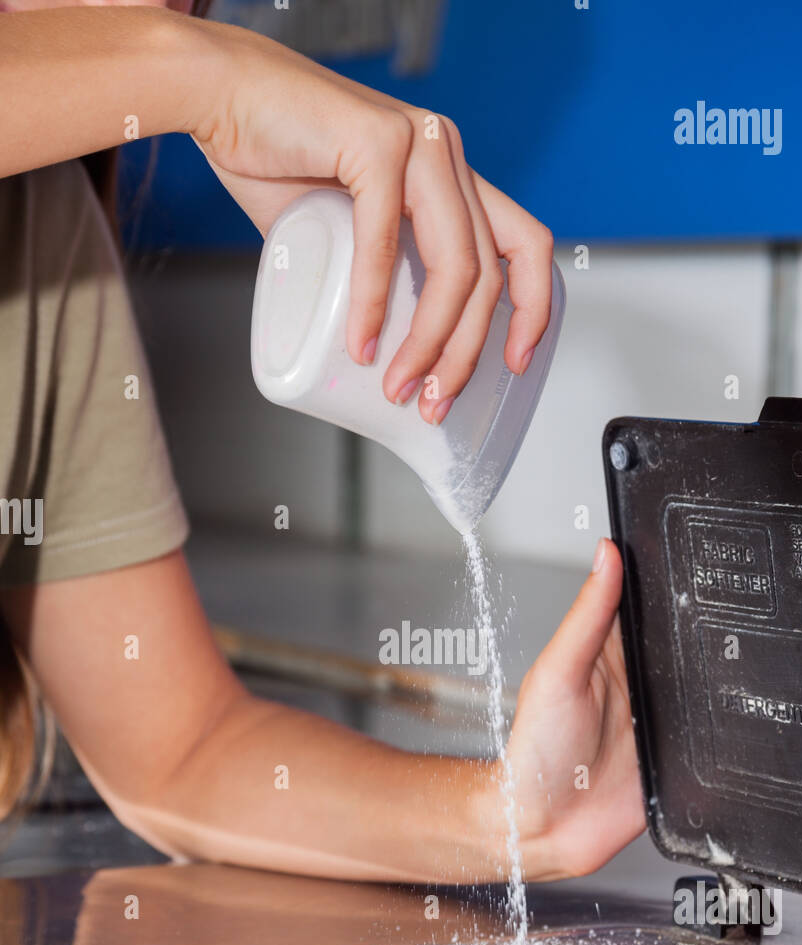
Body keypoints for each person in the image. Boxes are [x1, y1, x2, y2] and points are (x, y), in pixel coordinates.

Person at [0, 0, 645, 885]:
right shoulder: (176, 84)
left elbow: (182, 751)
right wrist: (205, 77)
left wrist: (518, 816)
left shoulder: (39, 226)